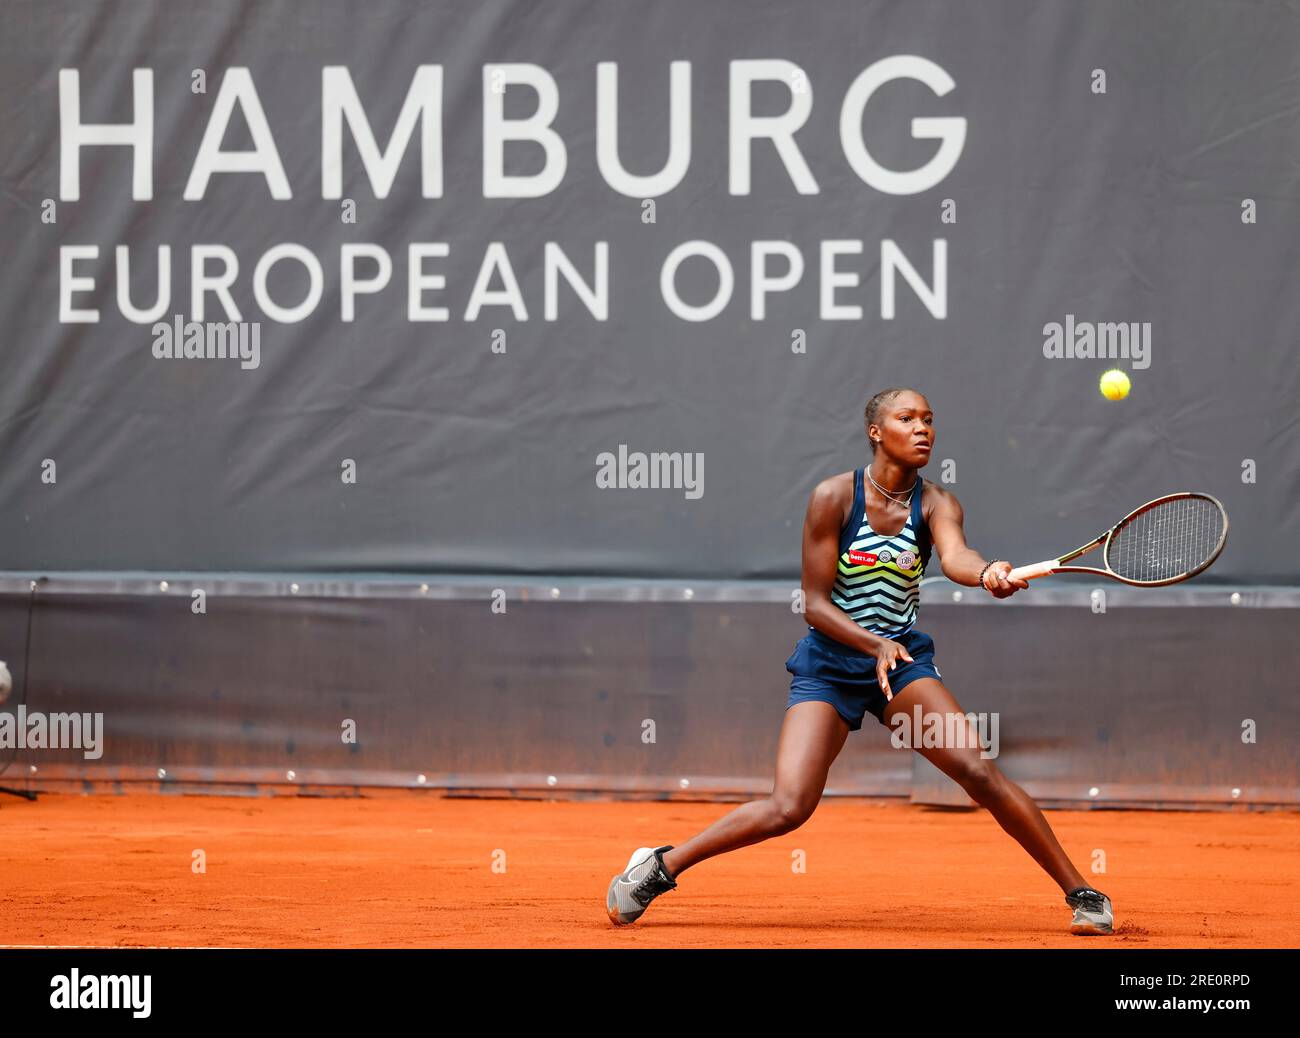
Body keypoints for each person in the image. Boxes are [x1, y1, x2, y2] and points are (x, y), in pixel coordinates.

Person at [605, 387, 1114, 936]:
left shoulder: (938, 503)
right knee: (790, 807)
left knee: (977, 771)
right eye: (907, 418)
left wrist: (988, 571)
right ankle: (659, 866)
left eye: (929, 419)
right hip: (830, 665)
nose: (923, 428)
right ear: (877, 431)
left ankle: (1082, 892)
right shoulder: (833, 498)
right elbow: (815, 604)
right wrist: (873, 644)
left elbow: (956, 556)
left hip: (900, 668)